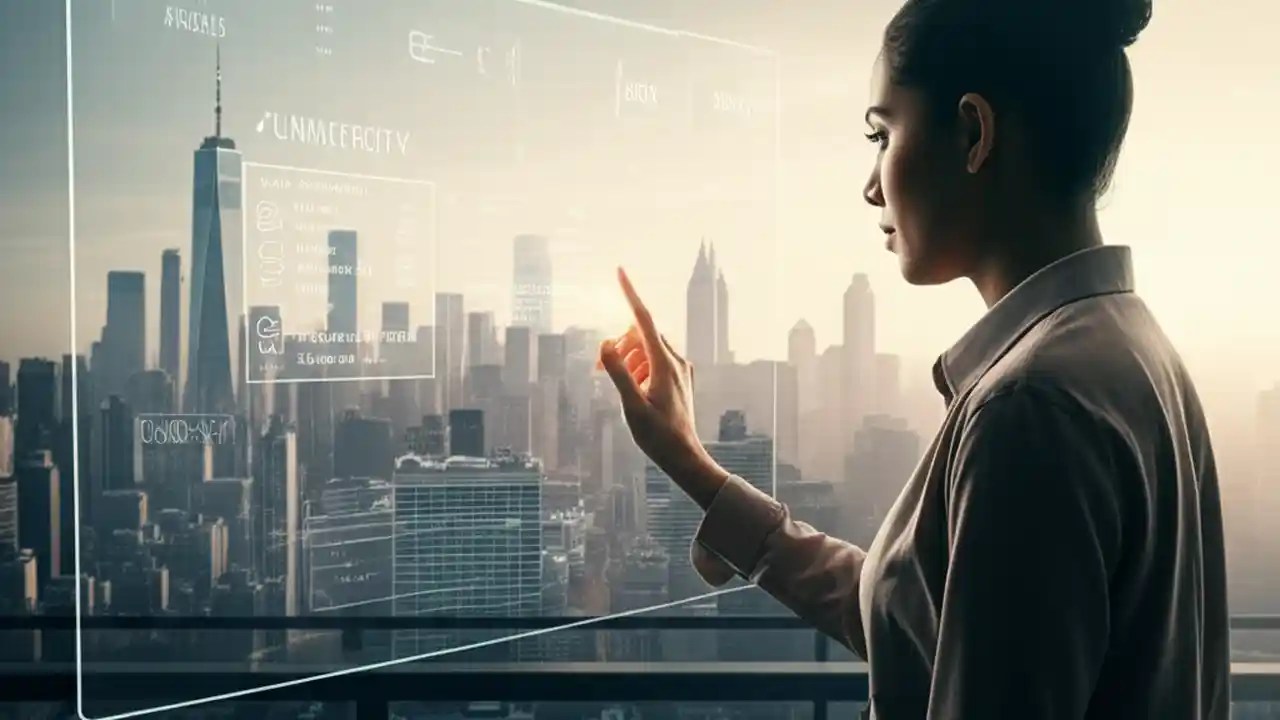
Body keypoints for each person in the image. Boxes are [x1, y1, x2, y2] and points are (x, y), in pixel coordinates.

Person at [596, 0, 1230, 717]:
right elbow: (918, 627)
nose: (872, 185)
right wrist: (694, 469)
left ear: (972, 132)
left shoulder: (1030, 407)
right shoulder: (1128, 349)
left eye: (882, 133)